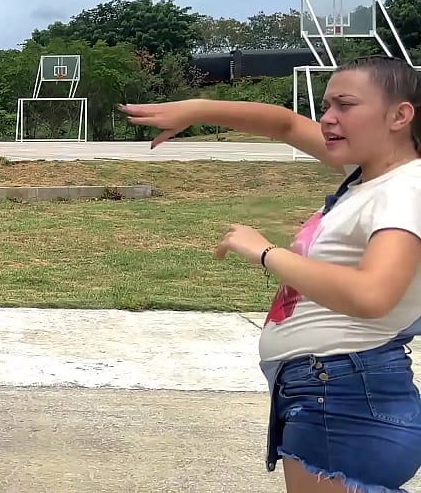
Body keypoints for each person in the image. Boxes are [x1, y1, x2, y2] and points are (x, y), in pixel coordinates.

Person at [120, 55, 421, 493]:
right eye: (325, 106)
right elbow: (284, 125)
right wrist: (199, 109)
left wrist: (264, 252)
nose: (327, 118)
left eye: (345, 105)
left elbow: (372, 294)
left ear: (400, 115)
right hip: (329, 389)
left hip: (344, 393)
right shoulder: (369, 178)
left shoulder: (404, 189)